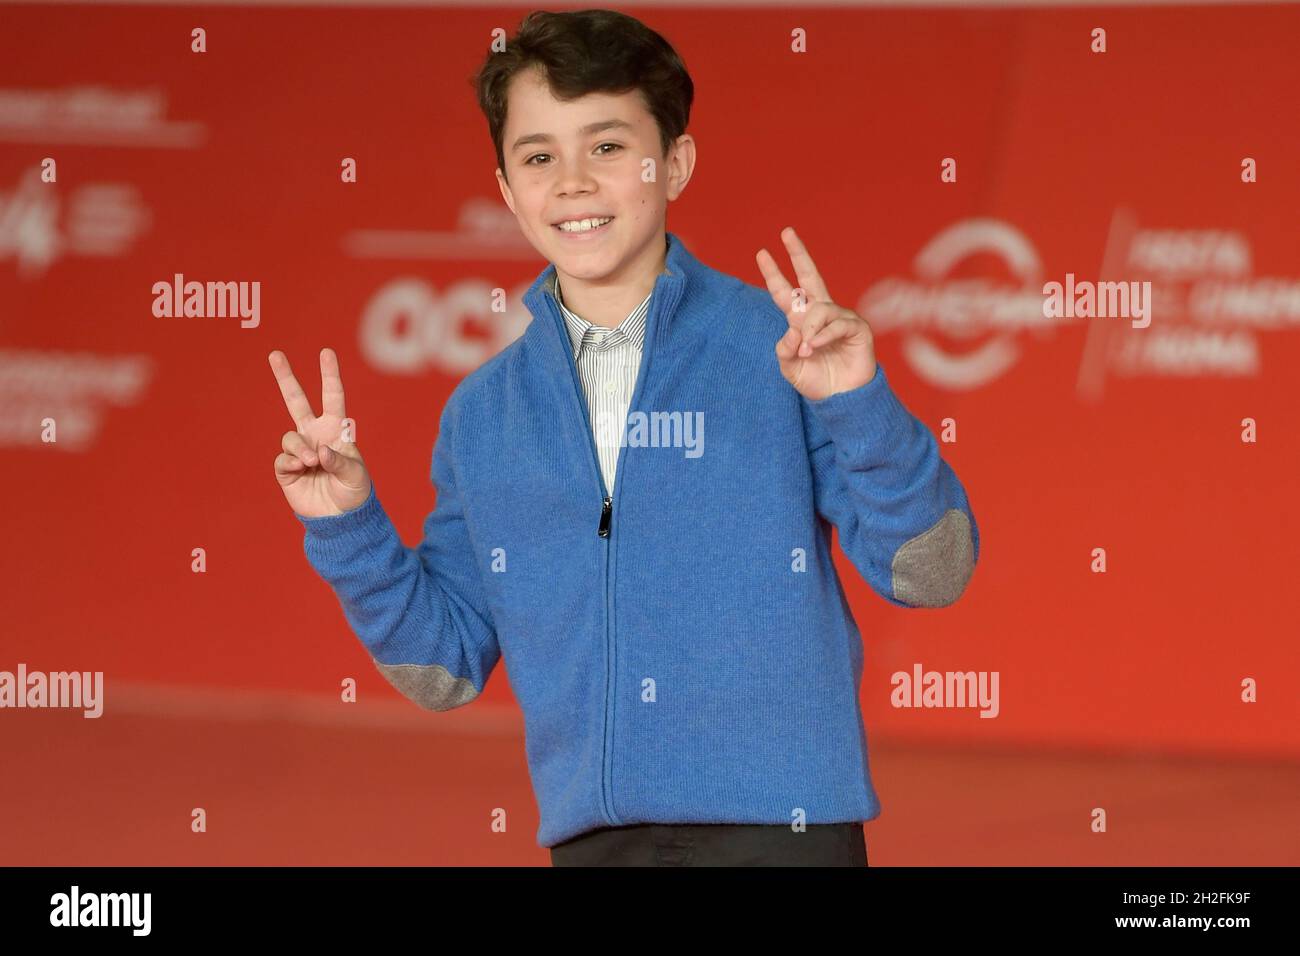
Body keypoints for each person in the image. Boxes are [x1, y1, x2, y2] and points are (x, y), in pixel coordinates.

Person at [268, 9, 979, 866]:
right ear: (504, 188)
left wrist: (858, 400)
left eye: (607, 147)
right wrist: (345, 526)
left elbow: (932, 573)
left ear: (674, 161)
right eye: (539, 157)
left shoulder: (780, 353)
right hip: (594, 844)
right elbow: (442, 670)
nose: (571, 183)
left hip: (787, 837)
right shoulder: (483, 414)